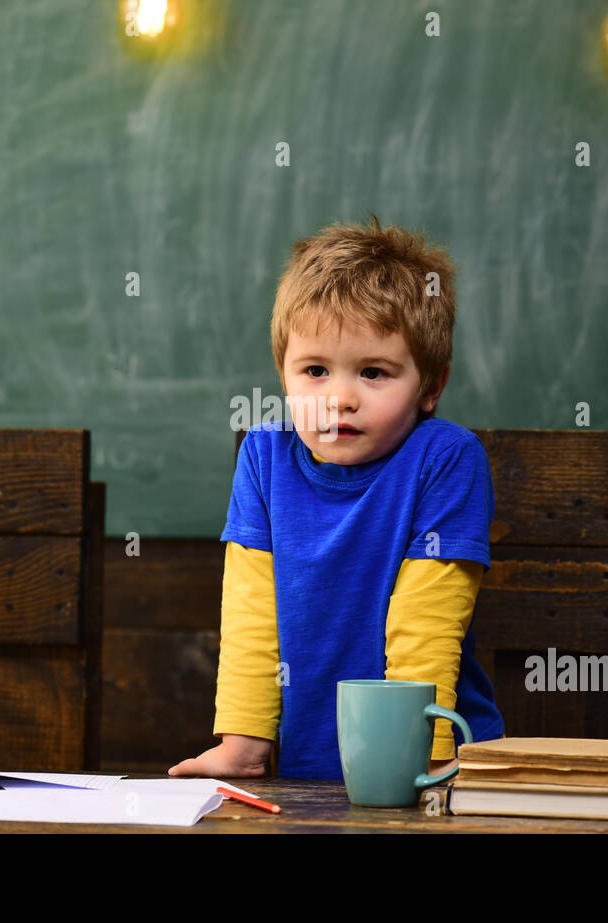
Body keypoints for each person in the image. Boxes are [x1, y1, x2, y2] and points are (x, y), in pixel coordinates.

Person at [169, 214, 505, 780]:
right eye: (315, 370)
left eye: (373, 373)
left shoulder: (445, 457)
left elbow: (427, 623)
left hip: (432, 757)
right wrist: (245, 743)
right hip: (307, 764)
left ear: (431, 386)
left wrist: (417, 759)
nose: (340, 398)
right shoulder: (264, 456)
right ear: (283, 374)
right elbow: (252, 608)